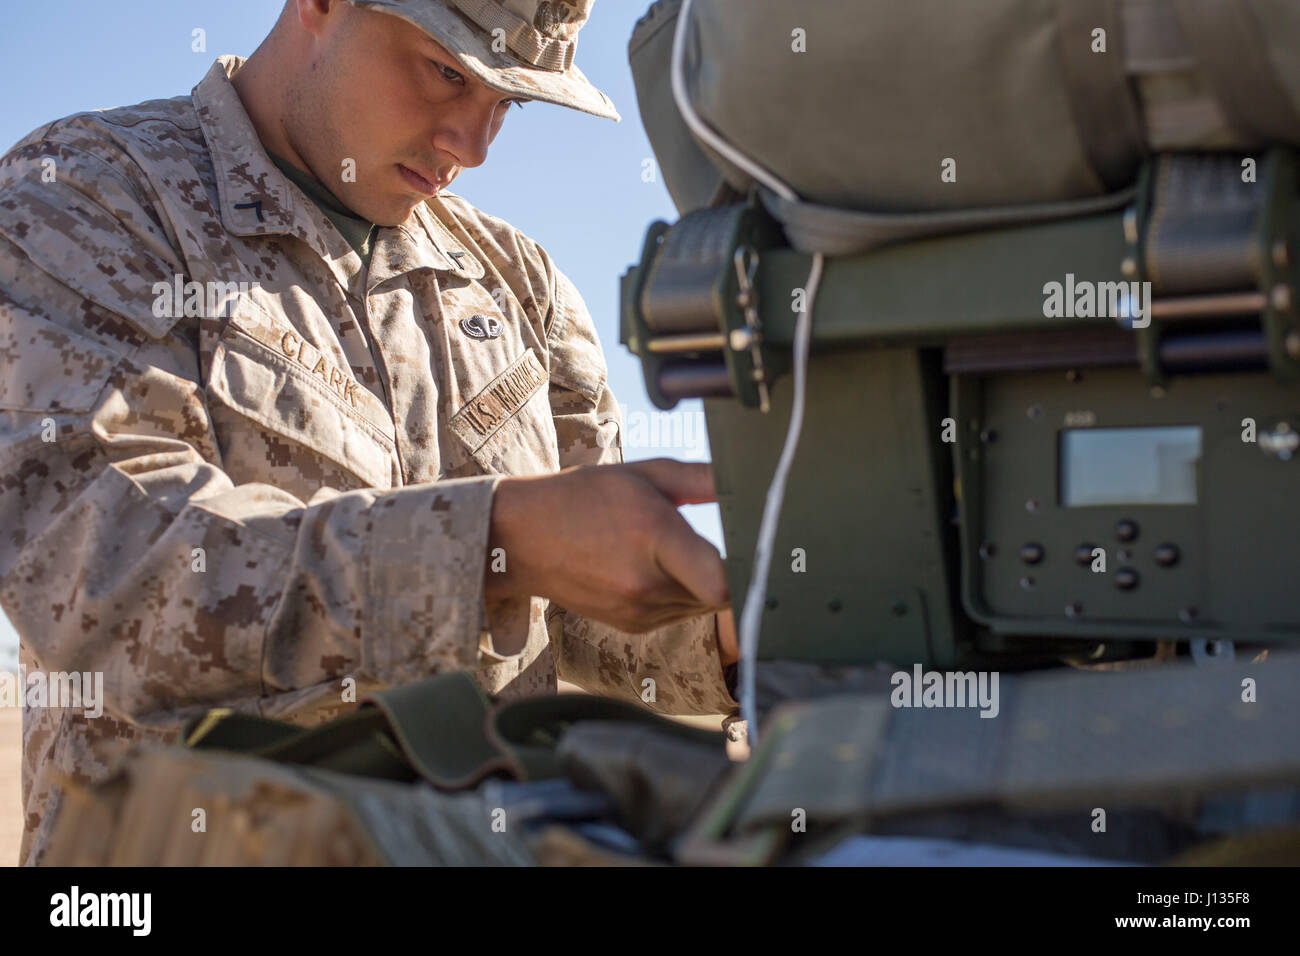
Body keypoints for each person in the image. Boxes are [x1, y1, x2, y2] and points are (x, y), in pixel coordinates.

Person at [0, 0, 739, 866]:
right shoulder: (92, 196)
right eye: (449, 73)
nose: (473, 144)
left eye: (510, 102)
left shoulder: (520, 283)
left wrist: (723, 628)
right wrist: (496, 538)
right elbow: (108, 576)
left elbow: (577, 614)